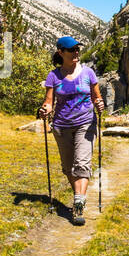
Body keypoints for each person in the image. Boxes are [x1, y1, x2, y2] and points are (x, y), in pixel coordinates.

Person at [37, 36, 104, 225]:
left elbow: (96, 97)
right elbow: (49, 102)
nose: (76, 52)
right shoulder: (54, 76)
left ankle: (78, 203)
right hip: (61, 126)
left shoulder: (88, 73)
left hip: (86, 123)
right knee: (69, 167)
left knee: (82, 164)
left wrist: (99, 104)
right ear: (61, 53)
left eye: (77, 49)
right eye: (72, 49)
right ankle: (79, 196)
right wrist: (44, 110)